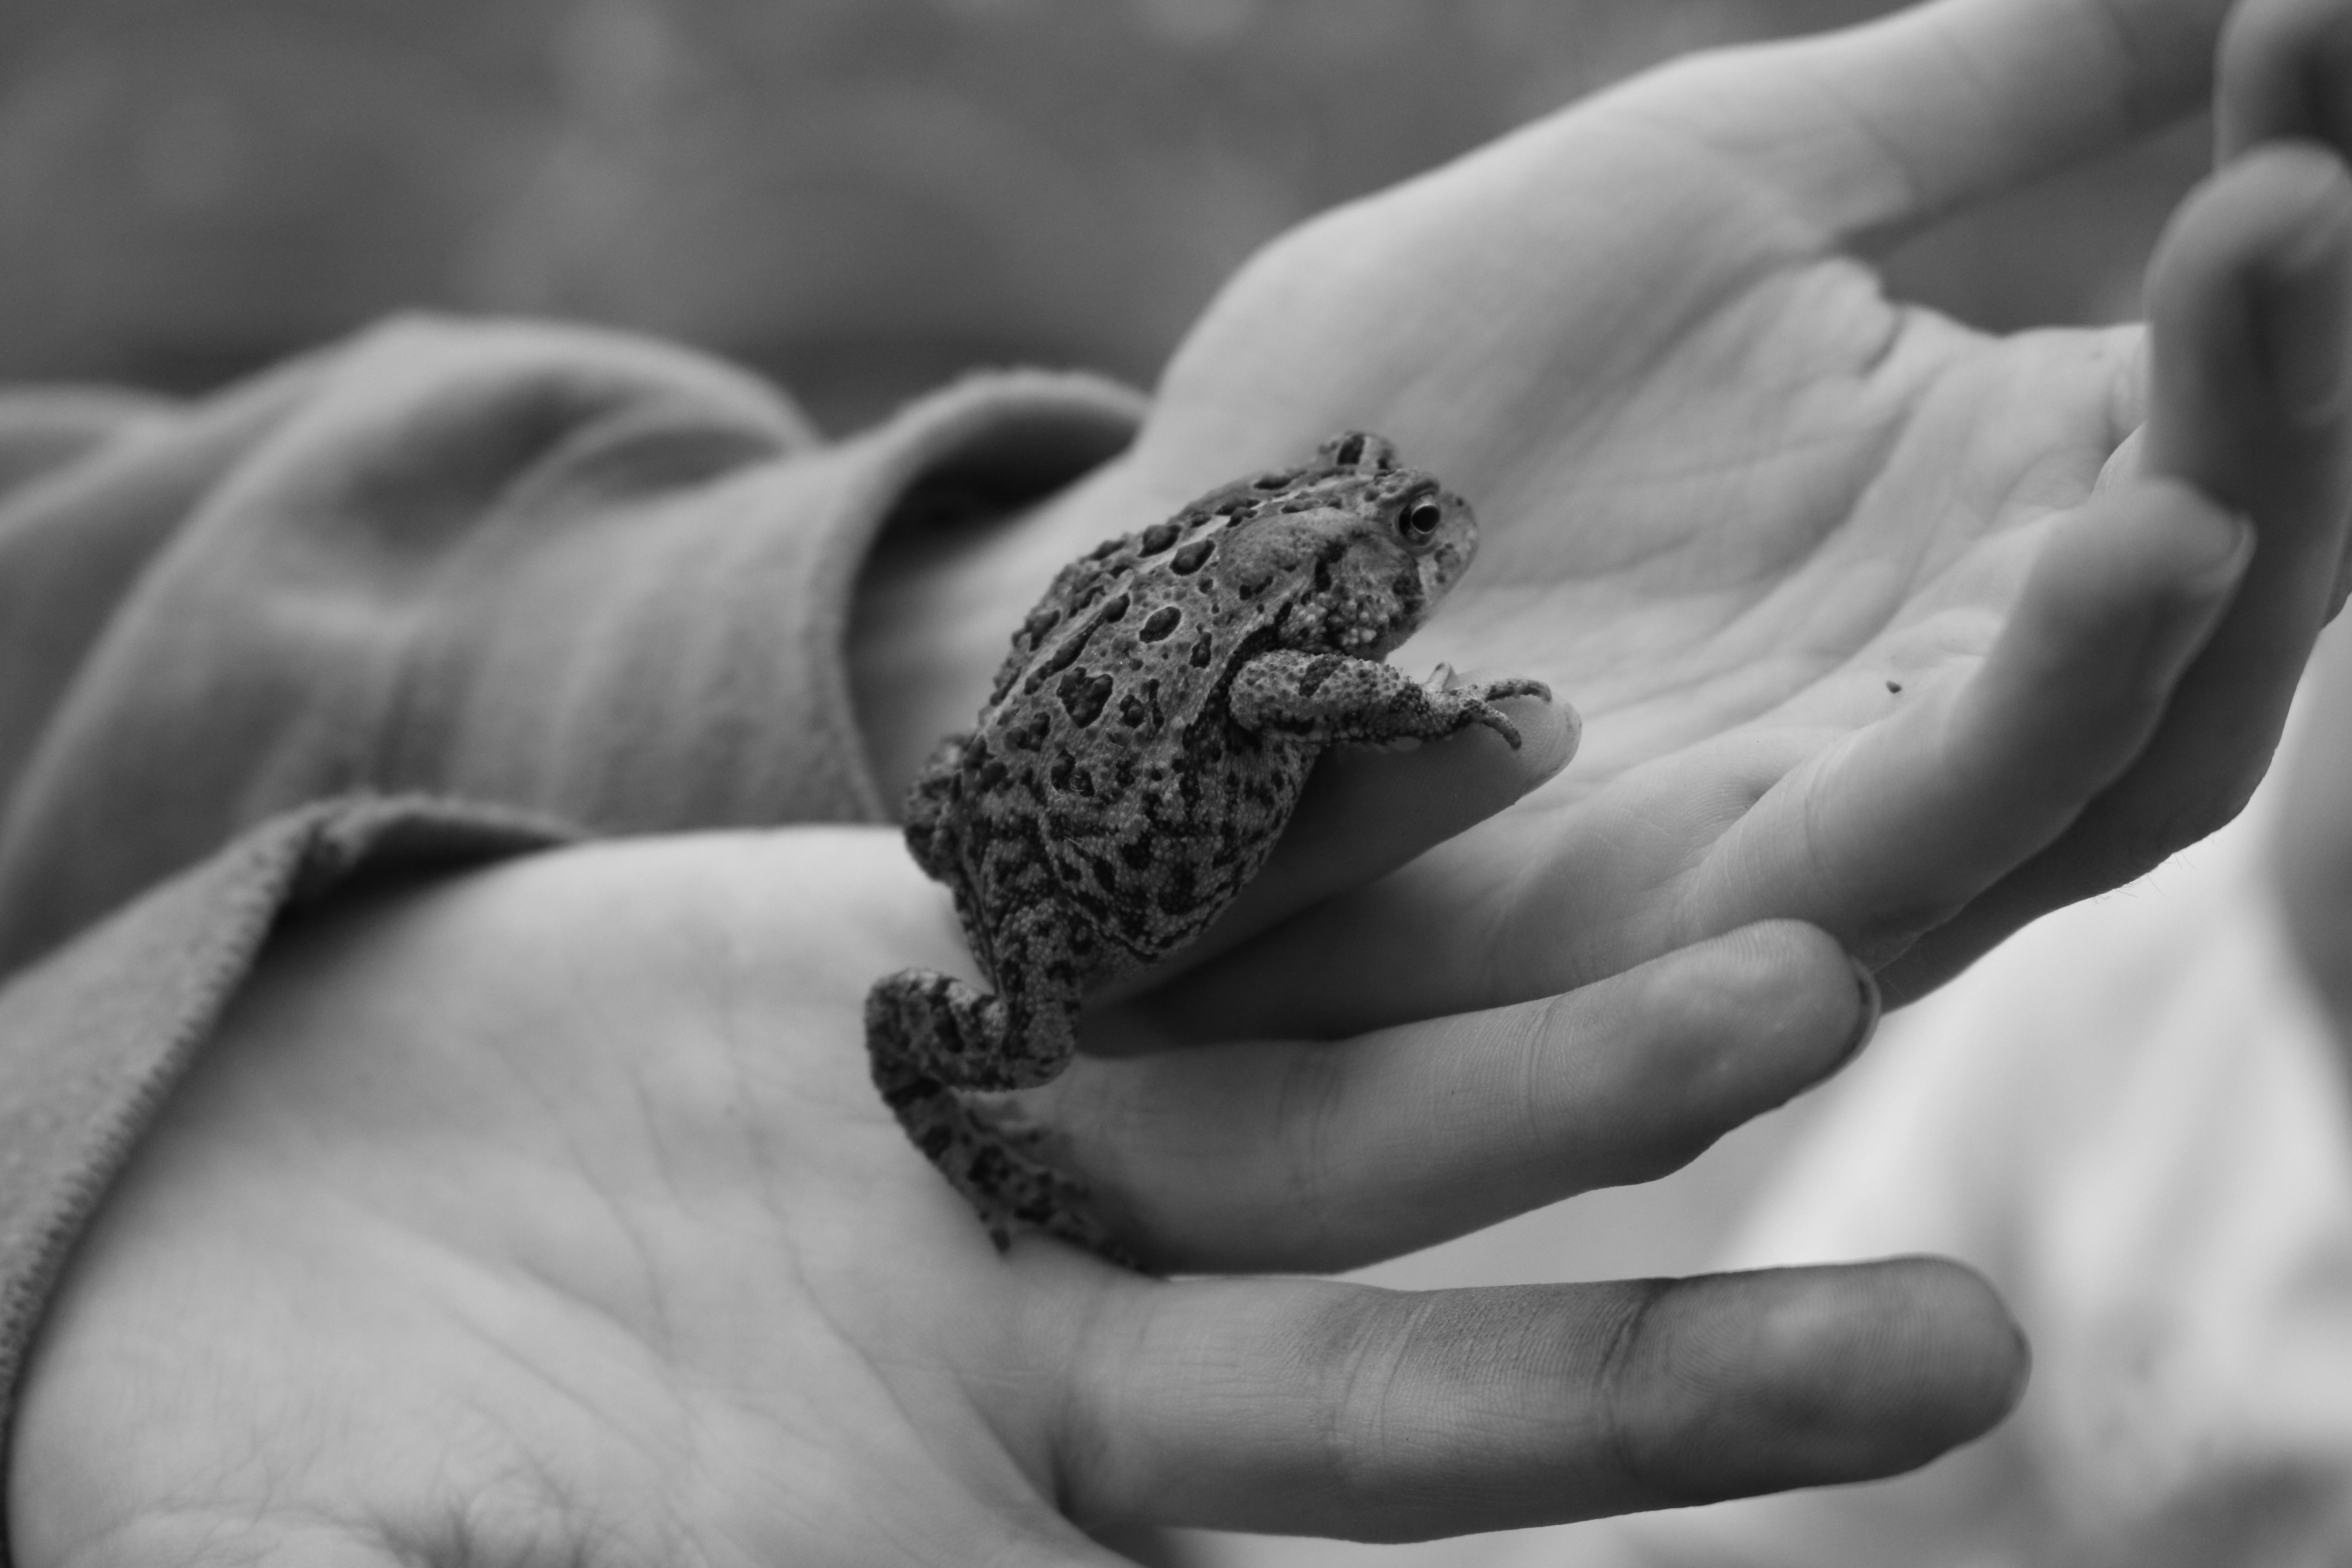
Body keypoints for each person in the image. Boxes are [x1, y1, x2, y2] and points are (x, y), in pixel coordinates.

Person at [2, 0, 2350, 1563]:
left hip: (1012, 779)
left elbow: (1169, 635)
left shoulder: (1251, 577)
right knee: (987, 1031)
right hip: (1070, 907)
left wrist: (906, 612)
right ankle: (1011, 1145)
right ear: (1334, 576)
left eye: (1384, 529)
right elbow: (1261, 698)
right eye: (1387, 541)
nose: (1410, 554)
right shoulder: (1298, 652)